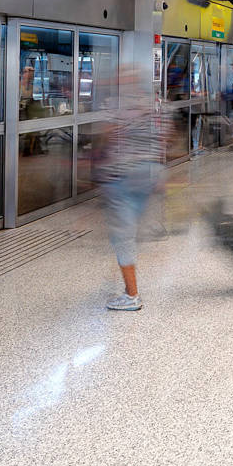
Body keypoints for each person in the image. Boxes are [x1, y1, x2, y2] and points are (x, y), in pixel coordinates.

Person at [100, 66, 164, 311]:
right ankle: (129, 284)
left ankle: (132, 296)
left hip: (123, 177)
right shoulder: (154, 103)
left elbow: (107, 136)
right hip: (149, 174)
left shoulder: (115, 105)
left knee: (123, 236)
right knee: (128, 230)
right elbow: (165, 136)